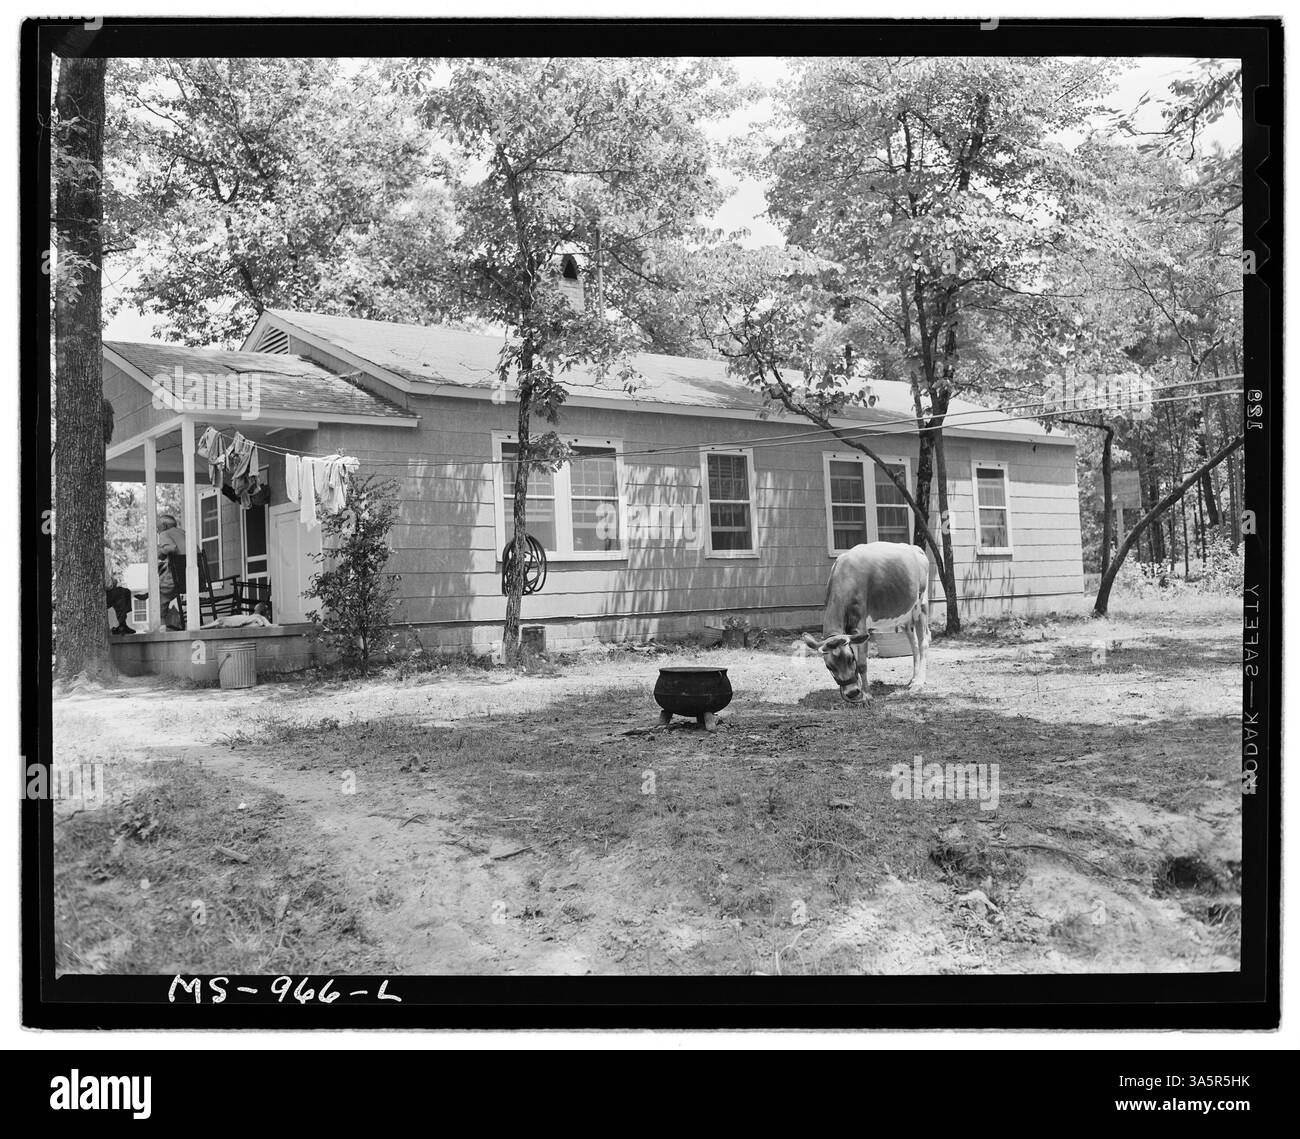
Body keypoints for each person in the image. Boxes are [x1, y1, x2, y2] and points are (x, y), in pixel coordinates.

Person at [155, 514, 188, 628]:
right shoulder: (184, 533)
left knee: (157, 592)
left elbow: (171, 548)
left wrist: (160, 551)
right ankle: (174, 623)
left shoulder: (165, 534)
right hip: (193, 579)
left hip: (178, 579)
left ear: (164, 526)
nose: (157, 531)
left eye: (158, 528)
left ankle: (161, 626)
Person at [104, 546, 135, 635]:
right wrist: (114, 581)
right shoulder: (105, 557)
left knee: (125, 592)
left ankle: (122, 624)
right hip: (102, 595)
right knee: (121, 593)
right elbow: (108, 584)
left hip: (107, 592)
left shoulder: (107, 557)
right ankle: (121, 625)